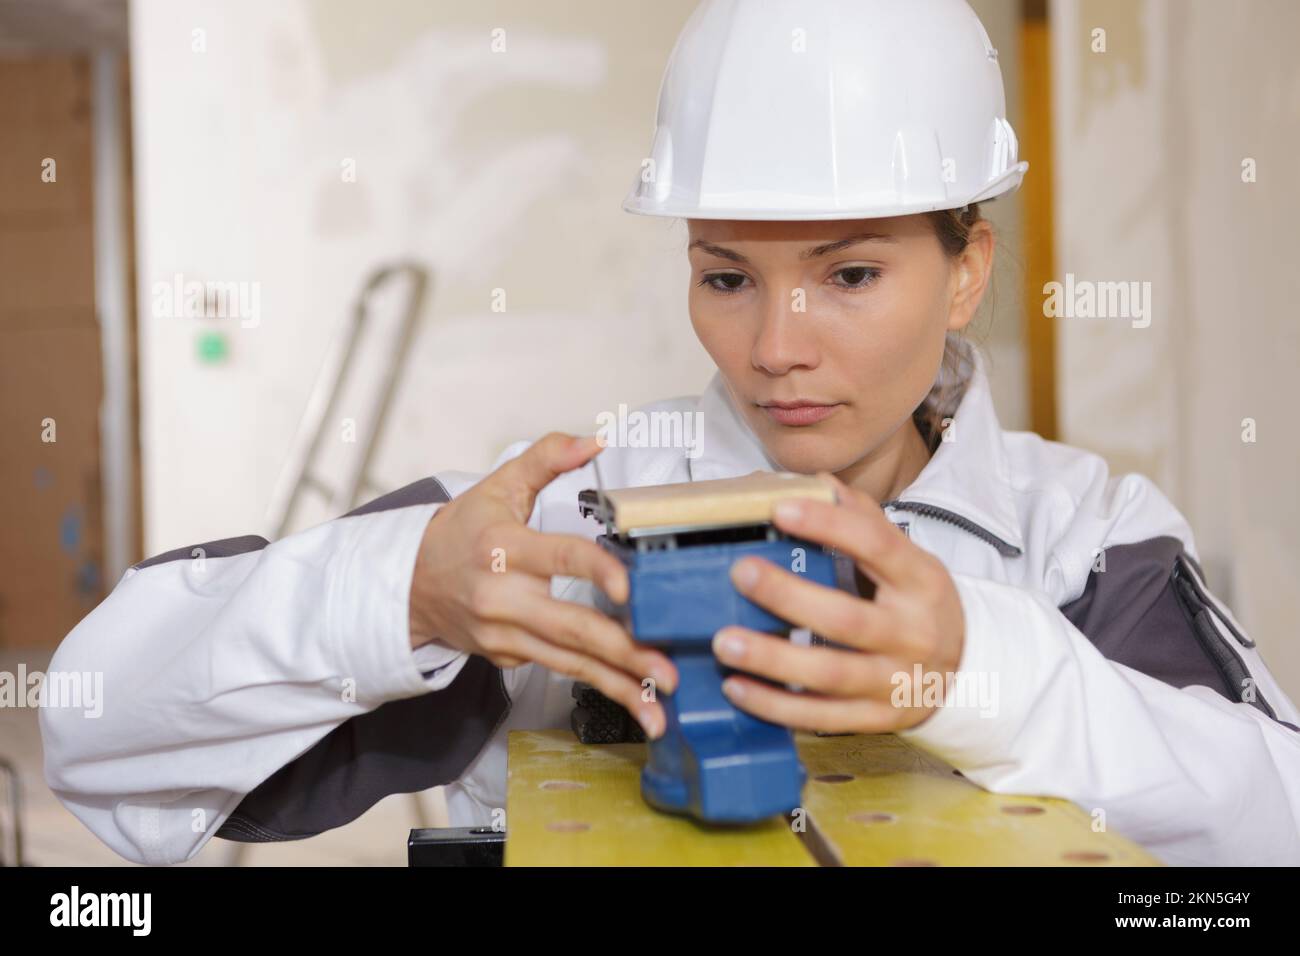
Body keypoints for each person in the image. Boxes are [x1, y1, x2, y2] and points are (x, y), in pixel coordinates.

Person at [41, 0, 1300, 866]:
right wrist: (407, 592)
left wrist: (982, 668)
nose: (775, 346)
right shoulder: (570, 528)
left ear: (965, 270)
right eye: (724, 273)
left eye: (849, 274)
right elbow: (92, 734)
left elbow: (1271, 816)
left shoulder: (1080, 535)